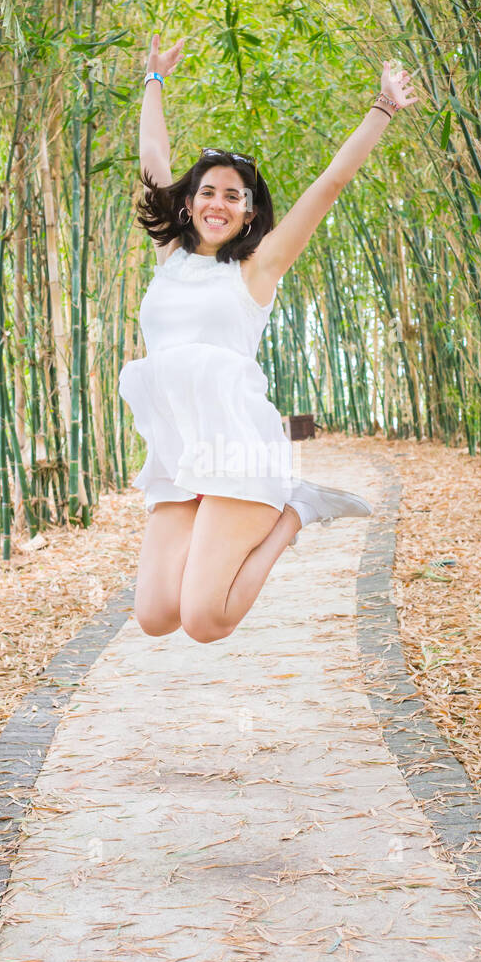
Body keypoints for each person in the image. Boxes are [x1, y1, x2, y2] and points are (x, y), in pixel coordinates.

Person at [118, 33, 419, 643]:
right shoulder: (170, 256)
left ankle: (294, 512)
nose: (217, 202)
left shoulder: (258, 270)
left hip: (235, 448)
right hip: (181, 450)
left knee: (206, 622)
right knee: (154, 617)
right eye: (207, 191)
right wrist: (153, 80)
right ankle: (265, 513)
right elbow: (152, 158)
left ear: (250, 213)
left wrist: (382, 109)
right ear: (190, 202)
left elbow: (329, 186)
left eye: (233, 195)